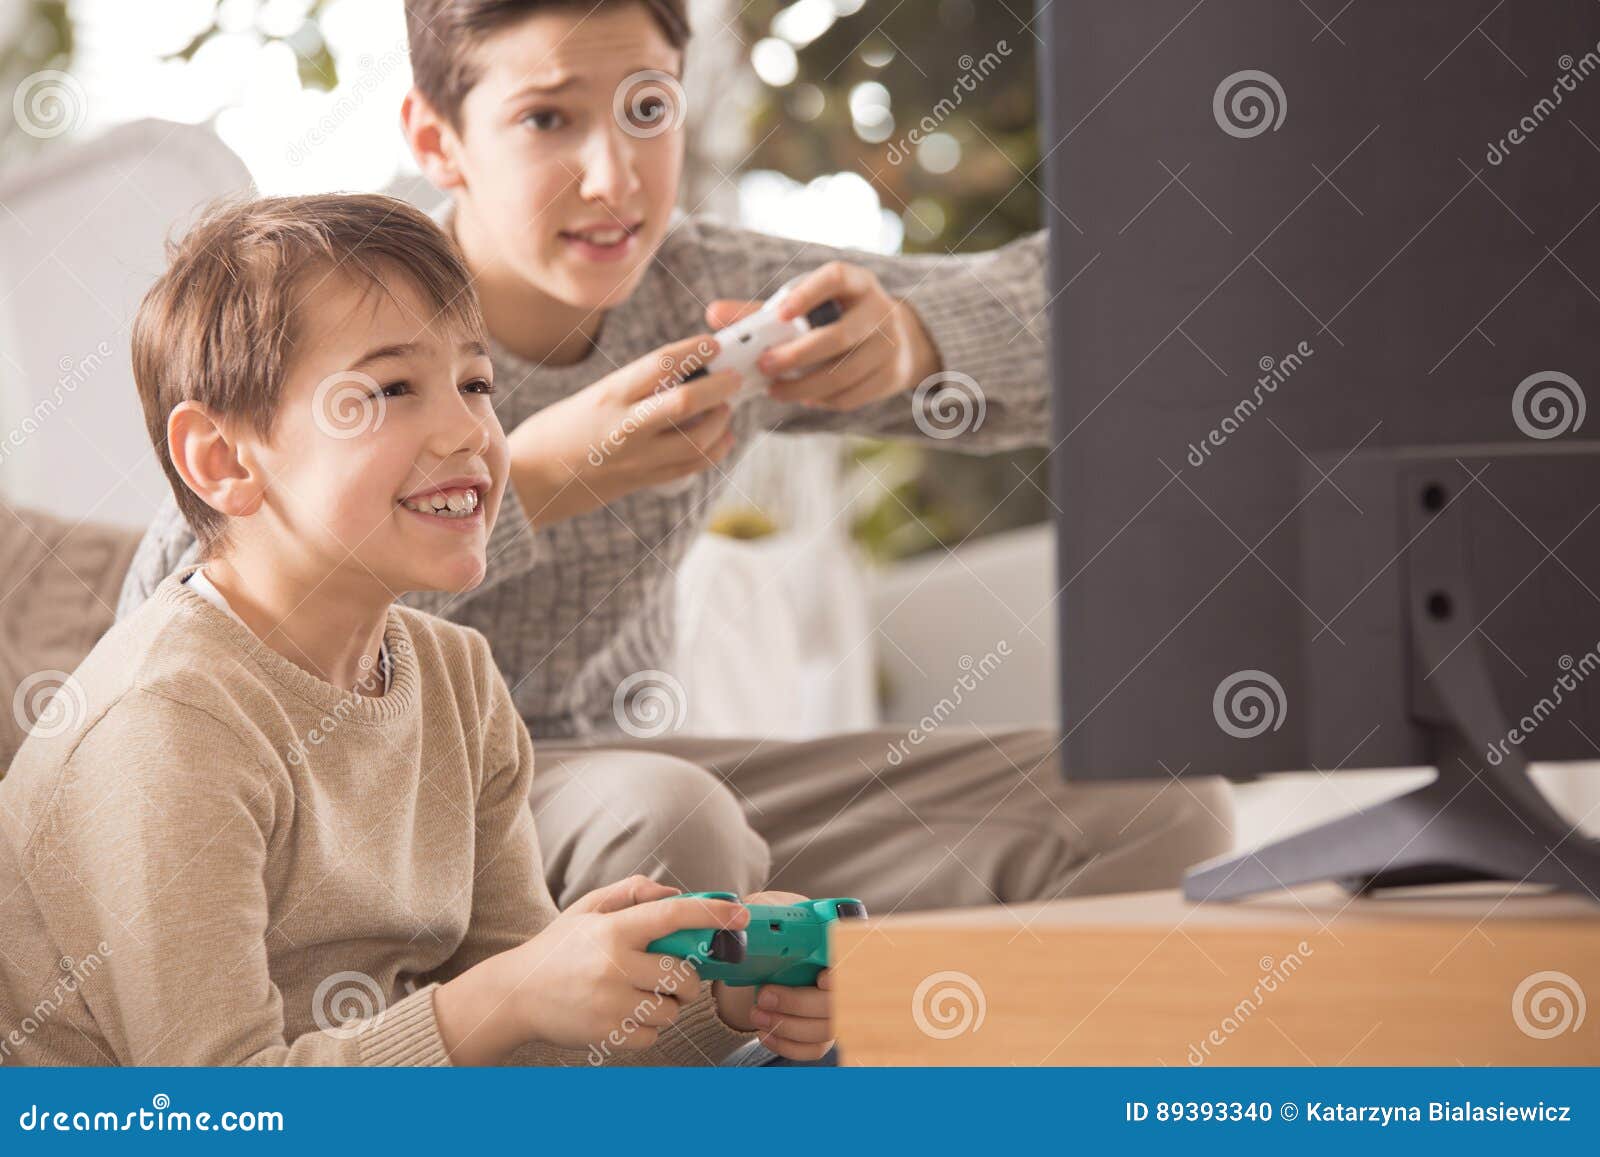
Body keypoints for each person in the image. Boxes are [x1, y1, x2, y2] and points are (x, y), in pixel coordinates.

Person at [118, 0, 1233, 915]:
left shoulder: (693, 285)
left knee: (1155, 802)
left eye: (647, 108)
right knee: (671, 820)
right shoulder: (333, 303)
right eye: (548, 119)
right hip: (370, 796)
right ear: (434, 137)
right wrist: (537, 475)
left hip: (619, 776)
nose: (615, 175)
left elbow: (1109, 313)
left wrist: (917, 337)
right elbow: (174, 613)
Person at [0, 194, 831, 1066]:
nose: (468, 429)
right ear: (224, 459)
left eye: (476, 383)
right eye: (392, 389)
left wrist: (727, 1009)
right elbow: (217, 1109)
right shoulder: (167, 722)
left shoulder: (455, 676)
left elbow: (533, 1051)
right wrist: (499, 998)